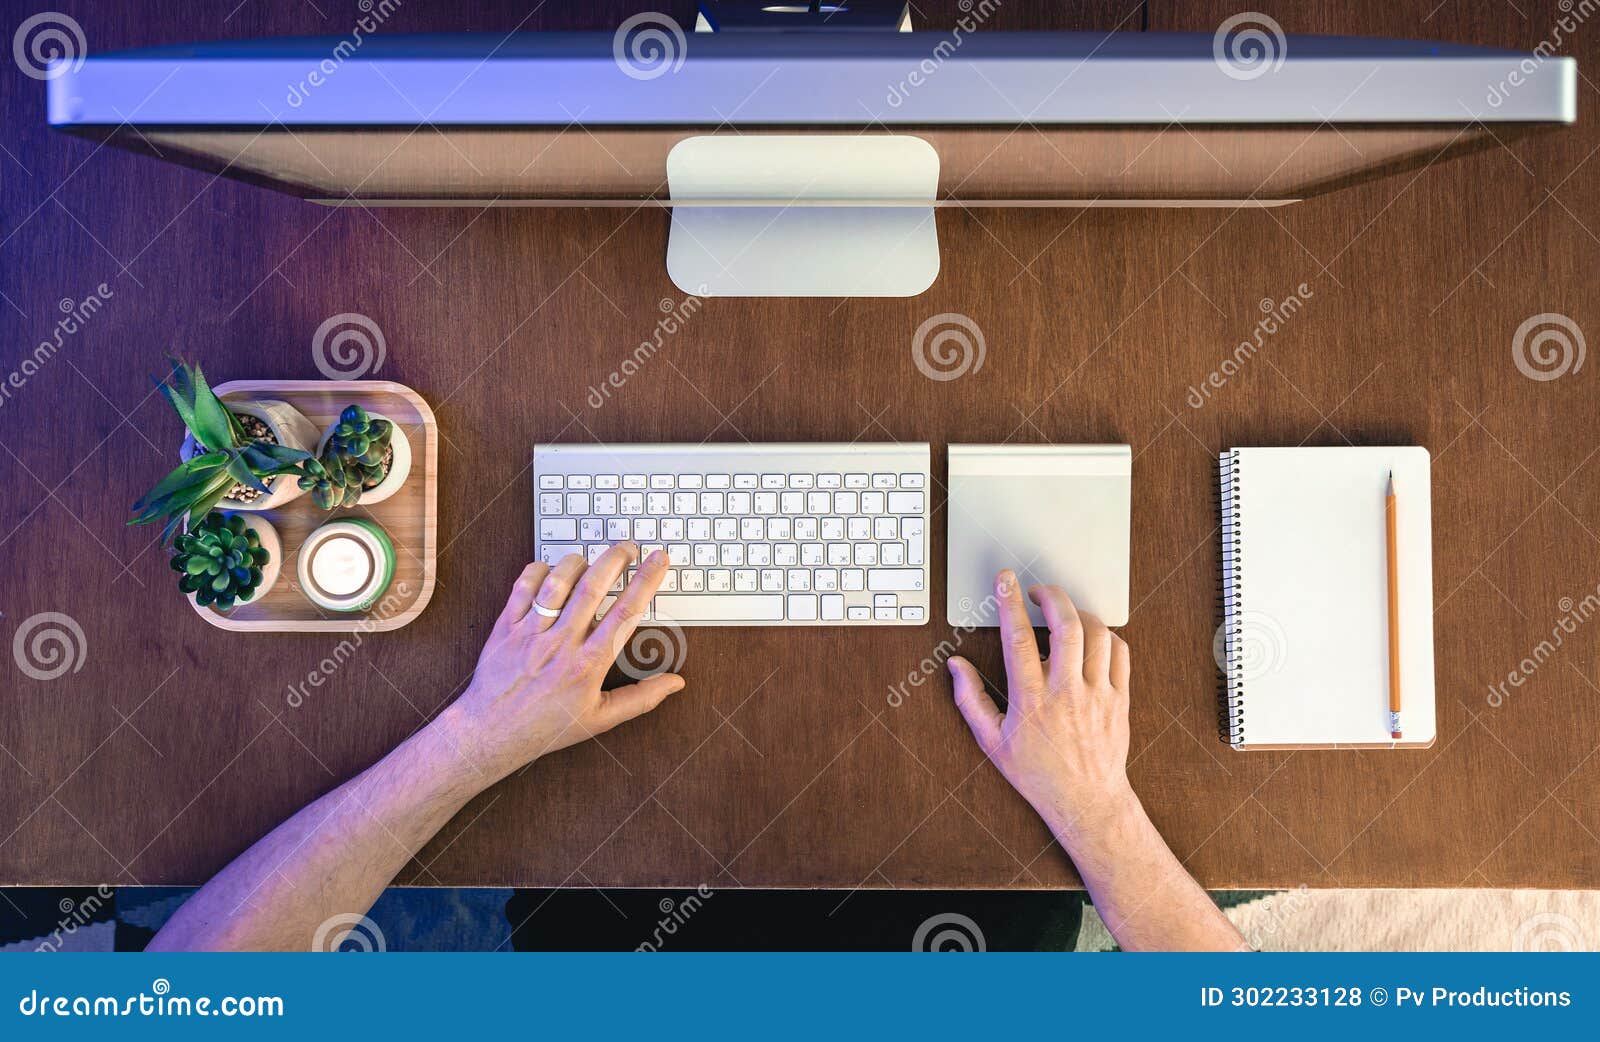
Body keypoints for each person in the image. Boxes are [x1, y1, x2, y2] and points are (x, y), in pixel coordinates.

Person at [148, 542, 1243, 952]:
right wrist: (1096, 807)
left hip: (613, 900)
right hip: (974, 892)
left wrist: (479, 736)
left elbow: (181, 996)